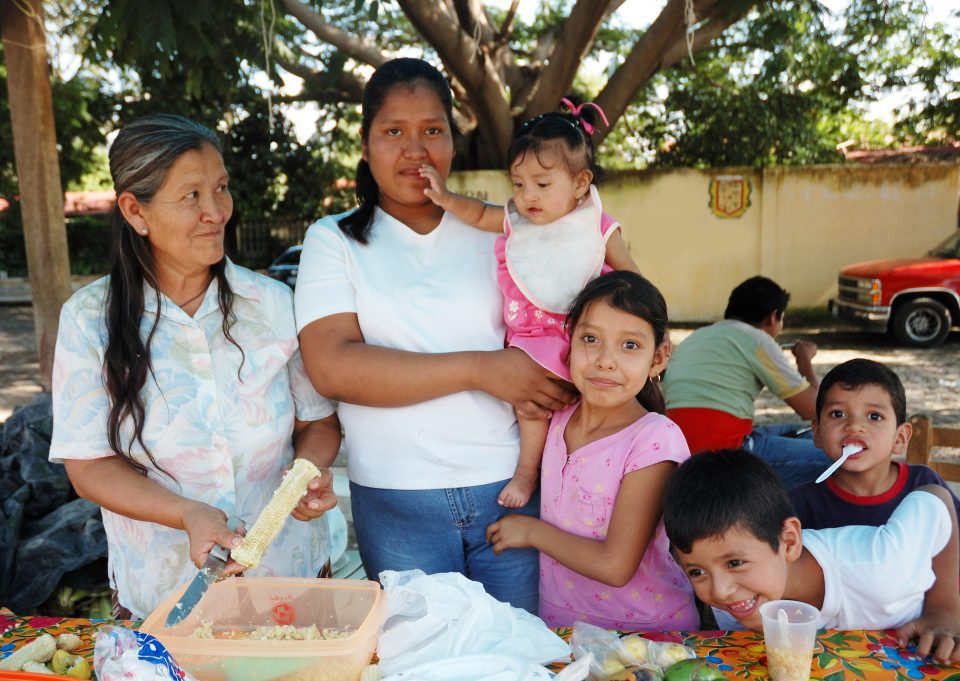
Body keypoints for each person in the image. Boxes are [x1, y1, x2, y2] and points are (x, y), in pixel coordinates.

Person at [293, 58, 573, 613]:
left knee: (520, 658)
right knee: (424, 660)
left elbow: (571, 315)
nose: (414, 149)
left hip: (512, 491)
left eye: (432, 130)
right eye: (393, 132)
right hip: (397, 499)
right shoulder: (335, 240)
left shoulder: (503, 229)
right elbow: (333, 367)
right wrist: (480, 368)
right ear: (366, 142)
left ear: (453, 139)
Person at [48, 114, 341, 620]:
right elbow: (89, 465)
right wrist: (186, 514)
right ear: (135, 211)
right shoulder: (88, 320)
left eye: (221, 189)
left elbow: (318, 423)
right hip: (165, 593)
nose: (216, 212)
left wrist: (308, 474)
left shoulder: (272, 304)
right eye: (191, 197)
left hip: (288, 578)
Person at [419, 101, 639, 508]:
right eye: (518, 184)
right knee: (532, 410)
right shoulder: (517, 222)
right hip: (532, 340)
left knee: (587, 418)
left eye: (541, 183)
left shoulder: (597, 228)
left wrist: (645, 328)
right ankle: (528, 476)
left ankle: (579, 483)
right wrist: (447, 198)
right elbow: (481, 213)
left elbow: (632, 276)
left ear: (580, 182)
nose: (527, 195)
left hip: (581, 338)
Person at [485, 271, 699, 630]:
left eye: (629, 345)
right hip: (562, 627)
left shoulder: (654, 440)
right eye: (590, 338)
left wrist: (531, 532)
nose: (604, 360)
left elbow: (615, 566)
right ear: (568, 342)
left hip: (647, 633)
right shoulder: (554, 418)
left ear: (658, 358)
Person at [663, 449, 960, 663]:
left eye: (735, 563)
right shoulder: (737, 598)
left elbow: (934, 496)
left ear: (789, 541)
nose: (720, 591)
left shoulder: (881, 564)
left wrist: (945, 609)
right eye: (696, 572)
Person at [662, 276, 828, 489]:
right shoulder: (757, 339)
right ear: (774, 317)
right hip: (727, 453)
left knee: (805, 432)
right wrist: (804, 359)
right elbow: (813, 409)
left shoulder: (695, 338)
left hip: (683, 448)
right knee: (838, 457)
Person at [791, 358, 960, 528]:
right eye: (837, 414)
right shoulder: (799, 505)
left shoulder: (925, 485)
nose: (854, 426)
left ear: (899, 438)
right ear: (817, 432)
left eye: (874, 416)